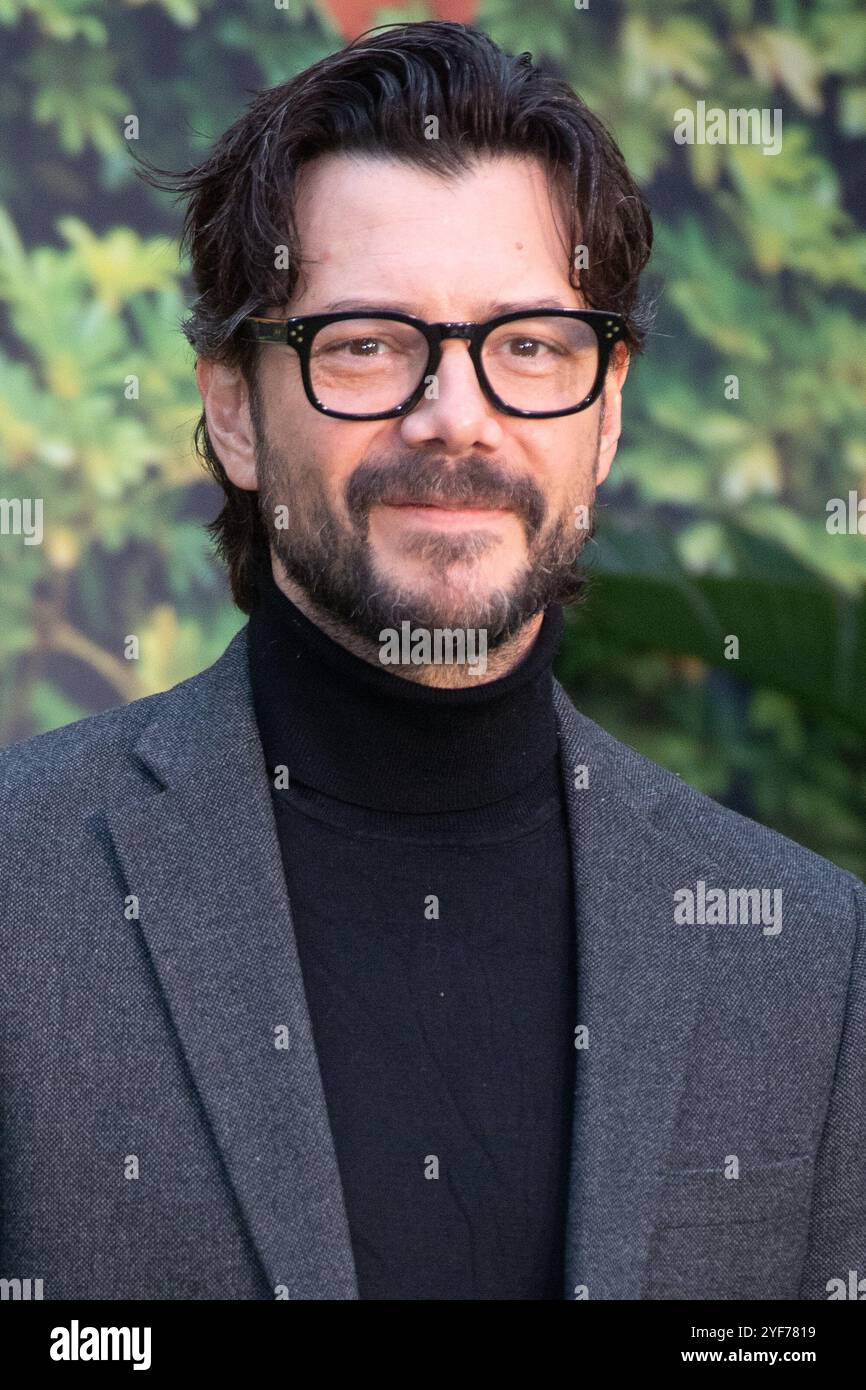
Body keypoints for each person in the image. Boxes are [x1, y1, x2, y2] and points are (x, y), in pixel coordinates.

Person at [1, 21, 863, 1301]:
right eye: (363, 343)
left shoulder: (805, 954)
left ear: (606, 410)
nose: (452, 415)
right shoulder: (22, 891)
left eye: (527, 345)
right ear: (233, 408)